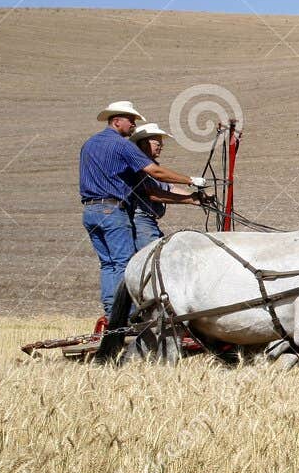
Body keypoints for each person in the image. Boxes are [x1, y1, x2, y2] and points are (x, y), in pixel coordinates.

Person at [80, 100, 207, 318]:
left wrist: (192, 198)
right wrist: (191, 180)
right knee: (124, 263)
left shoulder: (89, 144)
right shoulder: (122, 145)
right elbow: (155, 175)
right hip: (113, 210)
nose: (133, 125)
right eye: (131, 120)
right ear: (116, 121)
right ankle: (127, 316)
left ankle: (112, 313)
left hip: (91, 211)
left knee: (108, 264)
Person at [128, 122, 205, 246]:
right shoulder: (139, 167)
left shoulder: (152, 165)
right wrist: (191, 198)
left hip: (148, 220)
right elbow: (153, 194)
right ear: (143, 144)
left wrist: (196, 197)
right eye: (157, 144)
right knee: (150, 256)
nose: (161, 146)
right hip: (141, 220)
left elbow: (170, 188)